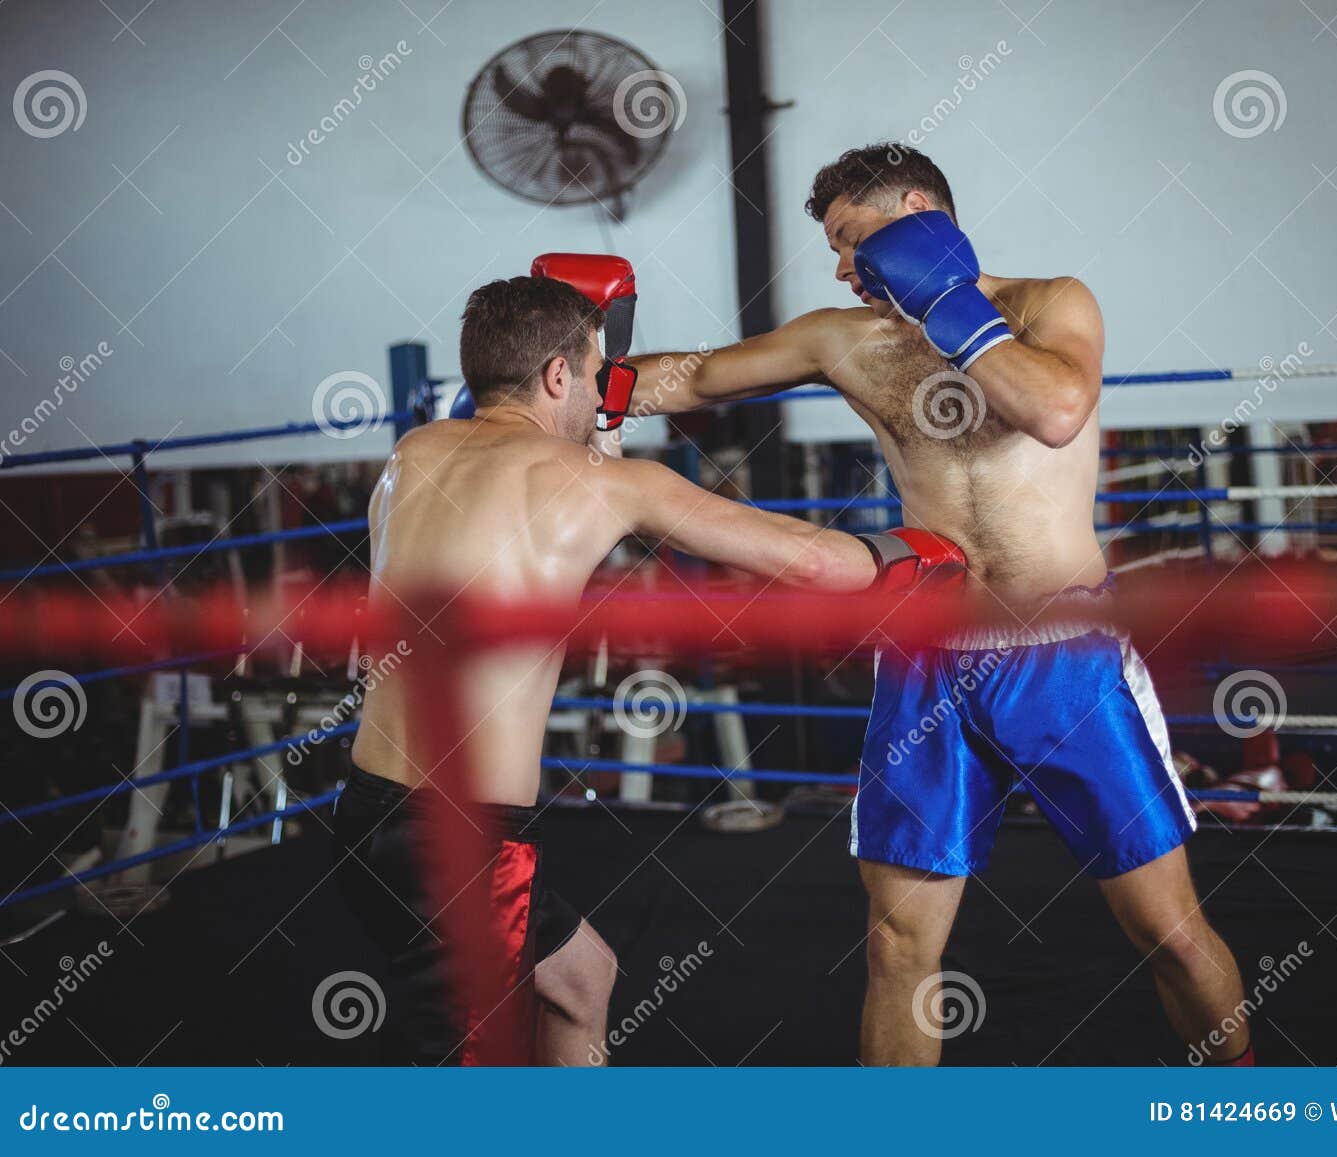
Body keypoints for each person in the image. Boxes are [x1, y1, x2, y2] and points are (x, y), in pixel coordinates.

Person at [625, 145, 1252, 1066]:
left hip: (1065, 648)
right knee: (897, 943)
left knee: (1168, 932)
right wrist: (578, 377)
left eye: (849, 239)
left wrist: (945, 300)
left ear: (916, 211)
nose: (839, 266)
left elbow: (1056, 410)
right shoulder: (843, 337)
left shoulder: (1048, 304)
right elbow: (700, 376)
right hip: (931, 656)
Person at [337, 261, 892, 1066]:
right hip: (461, 843)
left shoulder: (413, 454)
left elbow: (508, 526)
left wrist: (593, 447)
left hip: (368, 809)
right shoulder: (613, 486)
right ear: (559, 373)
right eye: (599, 377)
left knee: (583, 979)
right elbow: (818, 564)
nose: (608, 394)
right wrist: (930, 552)